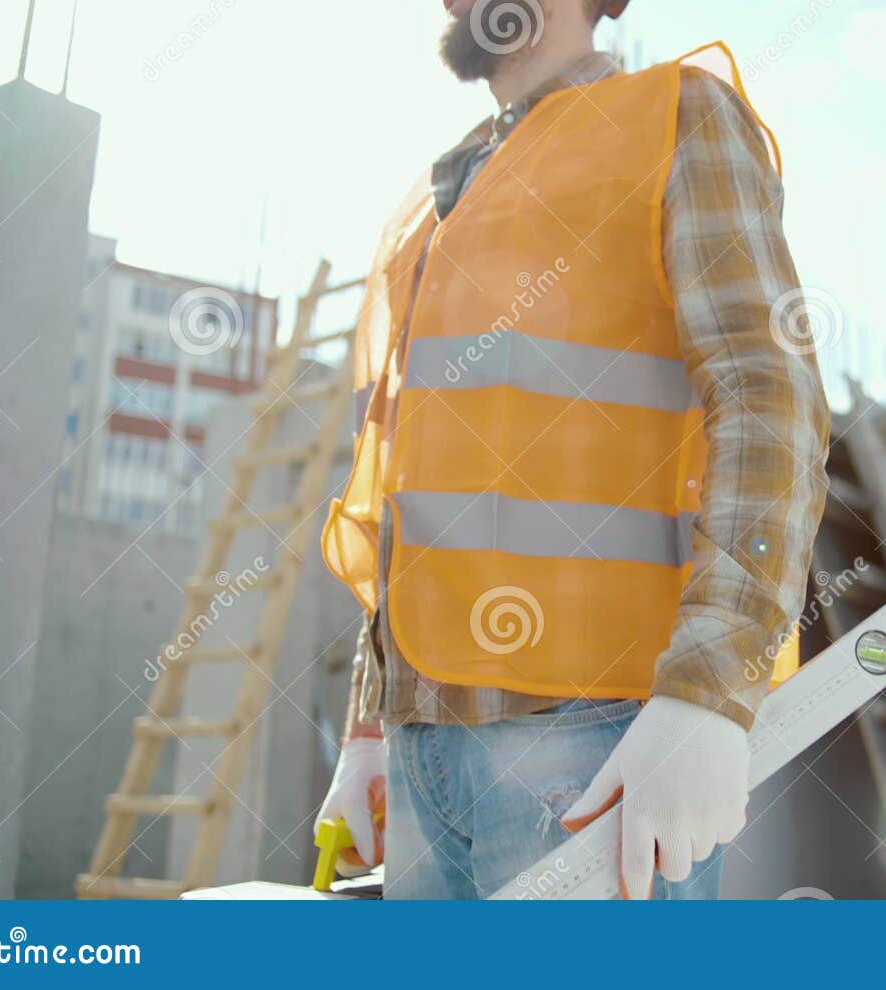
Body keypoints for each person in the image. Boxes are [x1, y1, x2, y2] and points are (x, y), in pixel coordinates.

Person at [315, 0, 830, 900]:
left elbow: (766, 395)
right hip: (421, 744)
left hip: (595, 737)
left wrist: (708, 689)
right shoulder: (436, 200)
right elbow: (406, 477)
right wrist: (370, 721)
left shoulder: (674, 115)